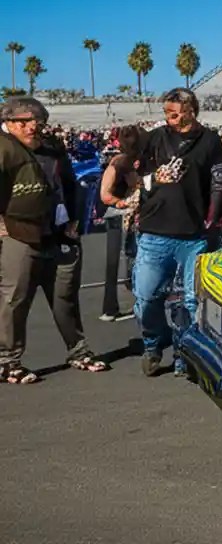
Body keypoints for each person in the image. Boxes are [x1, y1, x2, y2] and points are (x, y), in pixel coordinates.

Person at [0, 97, 109, 384]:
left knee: (65, 298)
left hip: (60, 233)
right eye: (25, 121)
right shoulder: (4, 149)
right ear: (10, 123)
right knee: (15, 300)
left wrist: (75, 219)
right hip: (20, 234)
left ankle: (79, 351)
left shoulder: (53, 148)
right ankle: (8, 361)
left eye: (37, 121)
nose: (32, 126)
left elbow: (71, 185)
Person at [133, 88, 222, 377]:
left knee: (190, 300)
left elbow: (219, 180)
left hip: (193, 233)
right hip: (154, 229)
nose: (169, 117)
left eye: (174, 112)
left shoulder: (210, 141)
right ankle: (152, 343)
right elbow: (132, 174)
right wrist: (151, 179)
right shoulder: (156, 138)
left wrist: (214, 215)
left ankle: (184, 352)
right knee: (146, 297)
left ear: (190, 110)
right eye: (166, 112)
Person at [99, 125, 143, 321]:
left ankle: (130, 302)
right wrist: (123, 202)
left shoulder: (133, 161)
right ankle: (110, 307)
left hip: (131, 214)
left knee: (131, 257)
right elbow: (105, 194)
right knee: (117, 260)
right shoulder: (118, 162)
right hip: (119, 214)